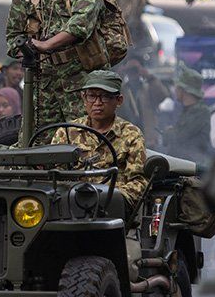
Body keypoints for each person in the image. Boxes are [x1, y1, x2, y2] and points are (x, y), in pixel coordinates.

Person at [5, 0, 106, 129]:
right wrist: (25, 49)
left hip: (83, 78)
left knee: (86, 140)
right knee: (38, 141)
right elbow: (13, 34)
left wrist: (45, 45)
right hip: (43, 82)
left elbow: (81, 24)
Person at [50, 70, 148, 211]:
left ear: (118, 100)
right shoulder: (67, 132)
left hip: (112, 208)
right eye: (92, 96)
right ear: (84, 98)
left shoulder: (131, 134)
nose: (98, 103)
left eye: (105, 97)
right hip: (71, 207)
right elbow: (56, 174)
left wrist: (111, 199)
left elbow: (139, 180)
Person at [166, 63, 211, 164]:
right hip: (183, 164)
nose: (175, 90)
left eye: (177, 87)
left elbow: (180, 136)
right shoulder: (188, 110)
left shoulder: (200, 112)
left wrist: (169, 132)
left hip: (192, 167)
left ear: (183, 90)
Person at [121, 54, 166, 148]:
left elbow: (162, 95)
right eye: (130, 69)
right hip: (127, 138)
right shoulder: (122, 90)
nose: (132, 72)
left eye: (135, 69)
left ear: (141, 69)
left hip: (148, 138)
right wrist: (119, 76)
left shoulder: (148, 88)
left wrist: (149, 77)